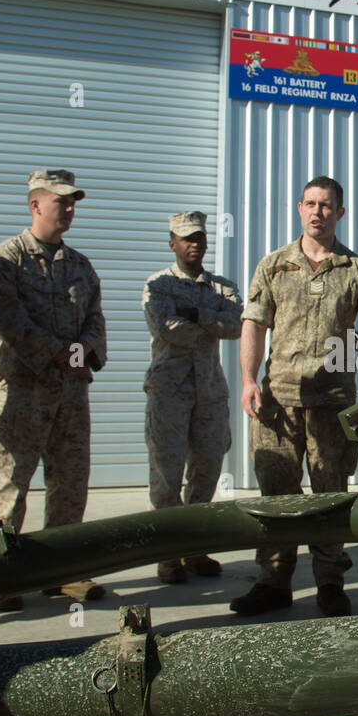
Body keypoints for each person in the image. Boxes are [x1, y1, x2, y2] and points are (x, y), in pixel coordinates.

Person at [234, 176, 358, 617]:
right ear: (299, 209)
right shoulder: (273, 266)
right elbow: (254, 323)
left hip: (332, 404)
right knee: (276, 497)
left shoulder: (357, 270)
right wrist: (248, 381)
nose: (317, 211)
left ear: (340, 213)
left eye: (326, 205)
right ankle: (273, 582)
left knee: (329, 496)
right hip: (276, 403)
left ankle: (329, 583)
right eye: (310, 203)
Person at [0, 169, 107, 609]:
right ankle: (1, 575)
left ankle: (63, 573)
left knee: (70, 483)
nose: (70, 210)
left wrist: (80, 352)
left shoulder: (80, 265)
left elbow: (95, 321)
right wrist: (57, 353)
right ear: (36, 205)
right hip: (22, 391)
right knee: (10, 484)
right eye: (61, 202)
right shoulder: (6, 260)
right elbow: (9, 323)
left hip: (70, 394)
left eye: (73, 202)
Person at [142, 211, 243, 583]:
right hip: (169, 391)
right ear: (173, 243)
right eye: (186, 238)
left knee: (206, 472)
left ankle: (194, 549)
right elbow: (167, 328)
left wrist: (195, 313)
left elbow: (236, 326)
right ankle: (169, 555)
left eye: (199, 238)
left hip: (209, 393)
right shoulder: (158, 285)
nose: (194, 244)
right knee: (166, 475)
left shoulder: (222, 288)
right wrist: (209, 322)